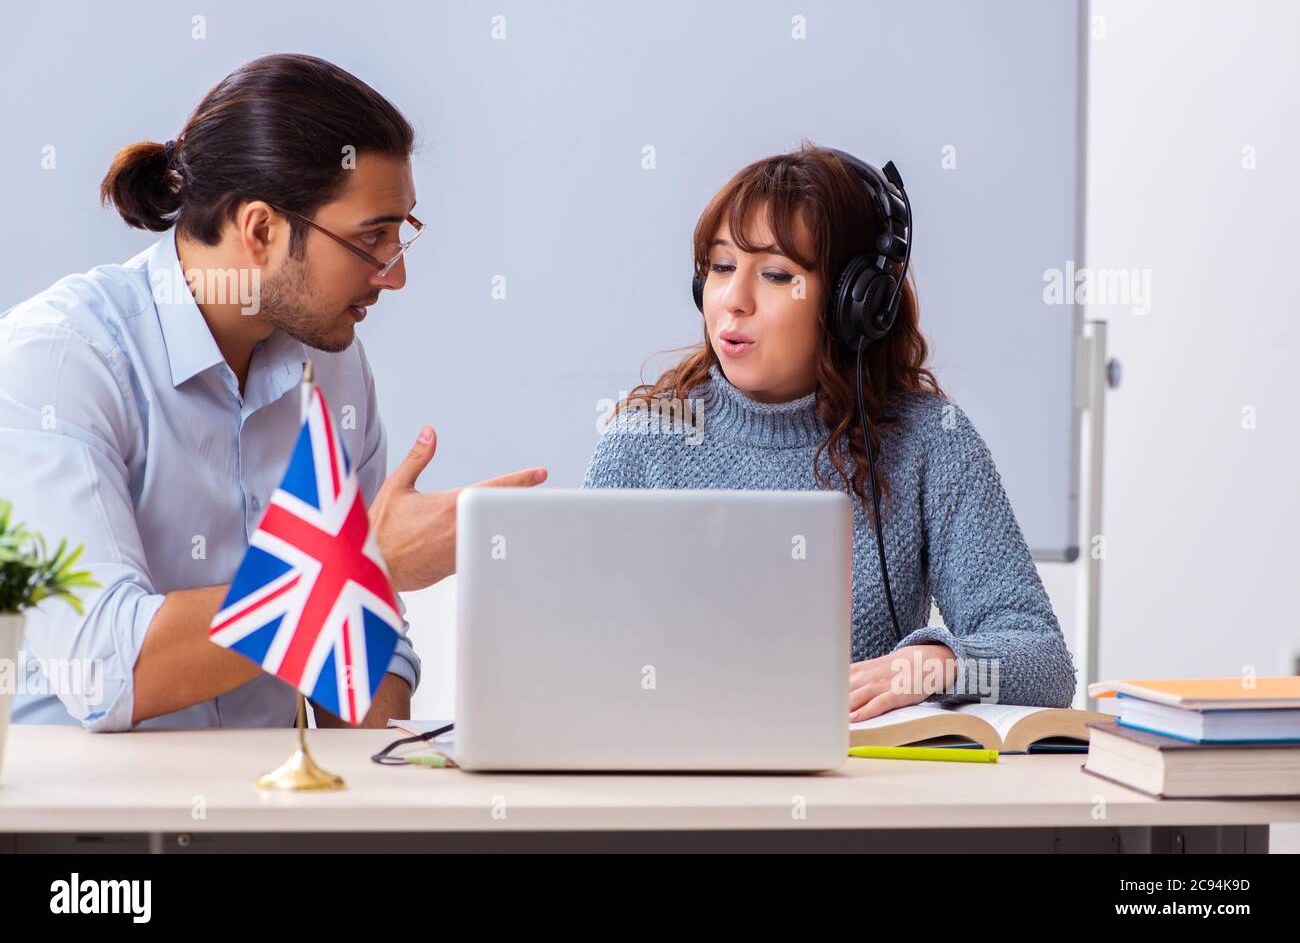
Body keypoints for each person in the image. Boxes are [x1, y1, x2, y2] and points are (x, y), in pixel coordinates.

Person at [0, 54, 547, 732]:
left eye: (401, 235)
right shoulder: (58, 361)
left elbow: (351, 674)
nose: (394, 276)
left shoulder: (335, 368)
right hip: (89, 823)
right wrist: (357, 563)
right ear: (260, 229)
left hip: (273, 817)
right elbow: (113, 672)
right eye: (370, 237)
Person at [583, 143, 1077, 721]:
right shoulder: (645, 442)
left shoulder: (929, 441)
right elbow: (572, 654)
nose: (732, 302)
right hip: (674, 783)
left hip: (858, 796)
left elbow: (1043, 660)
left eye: (774, 275)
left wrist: (933, 663)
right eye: (720, 267)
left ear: (855, 302)